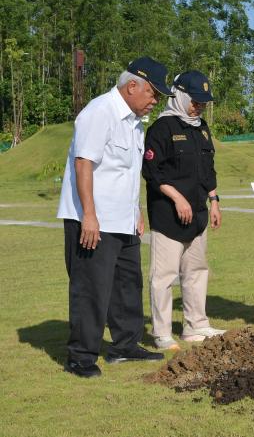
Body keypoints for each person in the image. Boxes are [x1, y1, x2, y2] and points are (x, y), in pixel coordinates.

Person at [57, 56, 173, 378]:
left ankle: (125, 346)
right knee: (91, 288)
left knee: (126, 285)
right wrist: (89, 216)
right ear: (132, 85)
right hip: (94, 220)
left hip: (123, 220)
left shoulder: (134, 122)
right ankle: (80, 357)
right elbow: (84, 164)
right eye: (152, 93)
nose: (155, 101)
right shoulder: (99, 112)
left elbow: (128, 171)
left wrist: (136, 211)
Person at [142, 70, 225, 350]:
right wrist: (177, 198)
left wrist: (214, 201)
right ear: (180, 95)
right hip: (168, 217)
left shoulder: (201, 128)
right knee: (164, 276)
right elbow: (152, 173)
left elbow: (208, 170)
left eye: (203, 101)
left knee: (197, 271)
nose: (199, 106)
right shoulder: (161, 129)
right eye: (195, 100)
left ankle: (196, 326)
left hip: (198, 215)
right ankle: (162, 333)